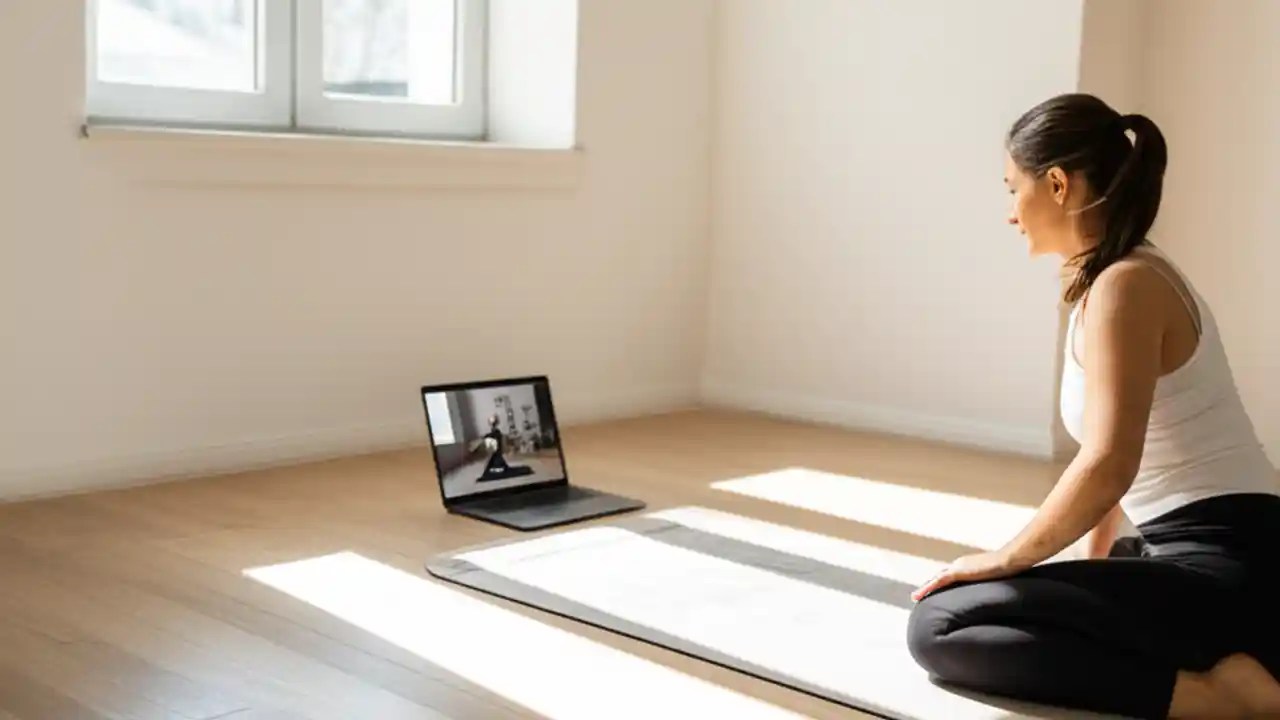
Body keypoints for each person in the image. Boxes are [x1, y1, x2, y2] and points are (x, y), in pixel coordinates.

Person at [905, 93, 1280, 719]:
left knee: (938, 626)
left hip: (1227, 564)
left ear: (1055, 184)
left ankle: (1222, 697)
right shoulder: (1120, 277)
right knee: (1032, 599)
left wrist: (1007, 556)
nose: (1009, 213)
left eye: (1011, 188)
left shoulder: (1125, 287)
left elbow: (1110, 462)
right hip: (1209, 554)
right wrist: (1088, 574)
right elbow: (1103, 456)